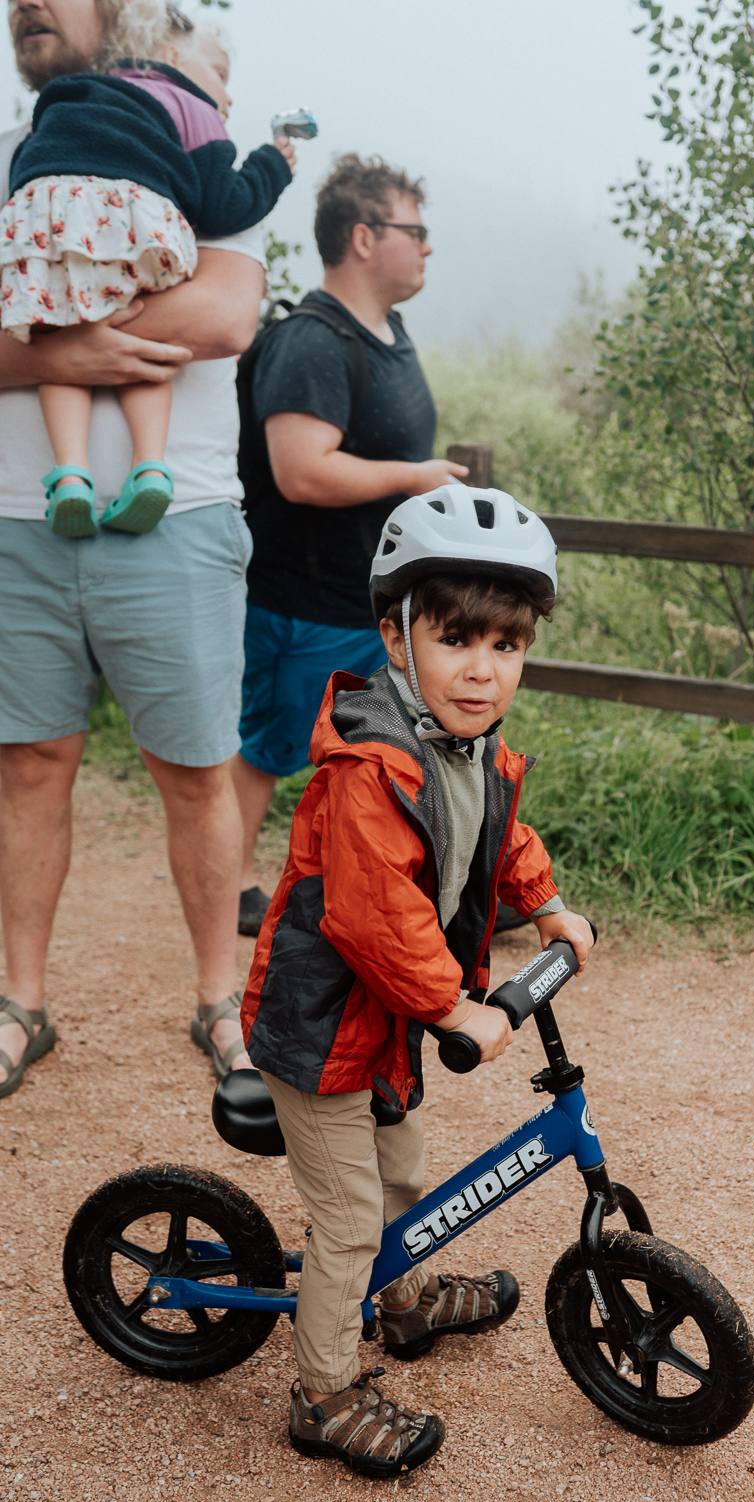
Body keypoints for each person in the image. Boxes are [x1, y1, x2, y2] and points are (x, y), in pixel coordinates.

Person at [240, 483, 595, 1478]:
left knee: (403, 1170)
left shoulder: (467, 749)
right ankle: (323, 1392)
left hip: (383, 1024)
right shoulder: (368, 771)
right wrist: (451, 1006)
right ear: (397, 640)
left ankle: (403, 1302)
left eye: (506, 647)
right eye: (455, 641)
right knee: (350, 1215)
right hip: (322, 1033)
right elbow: (372, 915)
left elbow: (498, 837)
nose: (482, 671)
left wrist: (547, 904)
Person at [0, 0, 269, 1097]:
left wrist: (43, 331)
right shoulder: (13, 155)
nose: (24, 3)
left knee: (199, 775)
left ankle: (222, 1004)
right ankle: (20, 1003)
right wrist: (81, 341)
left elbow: (226, 316)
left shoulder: (191, 125)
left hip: (183, 513)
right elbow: (175, 305)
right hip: (18, 515)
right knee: (25, 769)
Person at [232, 152, 468, 941]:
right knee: (269, 750)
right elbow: (301, 473)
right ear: (363, 237)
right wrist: (415, 477)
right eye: (416, 230)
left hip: (374, 602)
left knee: (386, 758)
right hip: (301, 602)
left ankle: (405, 892)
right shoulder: (310, 342)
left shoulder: (388, 332)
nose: (428, 246)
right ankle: (227, 890)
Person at [0, 4, 295, 536]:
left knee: (50, 309)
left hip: (183, 528)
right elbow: (229, 205)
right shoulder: (190, 117)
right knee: (144, 348)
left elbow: (223, 319)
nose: (226, 97)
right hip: (20, 529)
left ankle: (69, 477)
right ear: (171, 55)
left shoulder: (38, 140)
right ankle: (151, 466)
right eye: (221, 78)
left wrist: (48, 348)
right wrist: (271, 165)